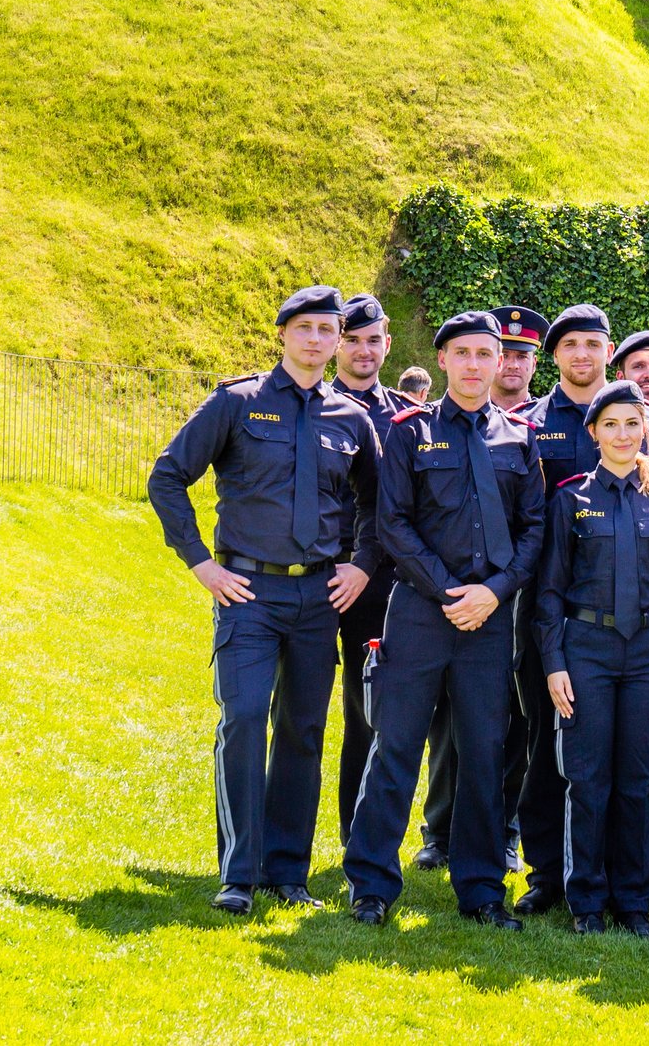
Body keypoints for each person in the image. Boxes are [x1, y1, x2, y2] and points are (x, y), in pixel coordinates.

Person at [146, 285, 380, 916]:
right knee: (245, 718)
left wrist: (360, 567)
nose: (316, 340)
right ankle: (239, 873)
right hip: (246, 591)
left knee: (303, 732)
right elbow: (167, 477)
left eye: (327, 330)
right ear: (283, 335)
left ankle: (288, 872)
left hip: (317, 594)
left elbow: (381, 505)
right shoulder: (237, 402)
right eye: (304, 328)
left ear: (337, 341)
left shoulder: (351, 419)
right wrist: (201, 564)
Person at [344, 312, 547, 928]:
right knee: (396, 746)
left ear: (498, 362)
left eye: (486, 354)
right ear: (443, 361)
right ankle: (372, 885)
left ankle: (482, 889)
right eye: (462, 353)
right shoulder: (407, 432)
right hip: (421, 612)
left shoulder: (518, 437)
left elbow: (534, 527)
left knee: (485, 752)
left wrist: (494, 592)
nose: (475, 364)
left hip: (490, 619)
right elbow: (392, 524)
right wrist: (451, 590)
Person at [536, 379, 649, 935]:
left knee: (641, 778)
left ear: (645, 430)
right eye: (611, 424)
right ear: (594, 433)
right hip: (588, 651)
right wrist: (554, 662)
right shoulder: (571, 498)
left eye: (633, 423)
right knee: (587, 777)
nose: (623, 434)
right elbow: (550, 590)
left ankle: (633, 899)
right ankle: (586, 900)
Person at [415, 302, 547, 873]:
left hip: (524, 591)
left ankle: (503, 832)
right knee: (449, 720)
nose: (509, 363)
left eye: (520, 355)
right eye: (504, 352)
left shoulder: (536, 427)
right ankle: (441, 831)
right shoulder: (428, 427)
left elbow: (536, 517)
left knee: (509, 721)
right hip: (447, 597)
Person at [510, 303, 616, 914]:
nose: (582, 354)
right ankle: (547, 875)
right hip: (545, 606)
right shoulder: (526, 424)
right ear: (554, 356)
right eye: (570, 344)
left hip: (623, 612)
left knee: (623, 747)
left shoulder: (644, 421)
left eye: (593, 343)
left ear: (609, 350)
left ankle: (615, 872)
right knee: (543, 742)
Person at [326, 294, 414, 845]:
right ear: (337, 343)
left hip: (377, 582)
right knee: (298, 713)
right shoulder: (311, 402)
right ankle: (271, 849)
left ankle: (355, 836)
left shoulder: (406, 414)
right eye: (352, 339)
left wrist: (366, 563)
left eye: (373, 339)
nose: (364, 350)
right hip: (312, 575)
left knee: (368, 711)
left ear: (386, 342)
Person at [491, 305, 549, 411]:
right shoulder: (467, 421)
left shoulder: (548, 421)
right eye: (504, 355)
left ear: (534, 364)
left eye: (522, 356)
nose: (513, 365)